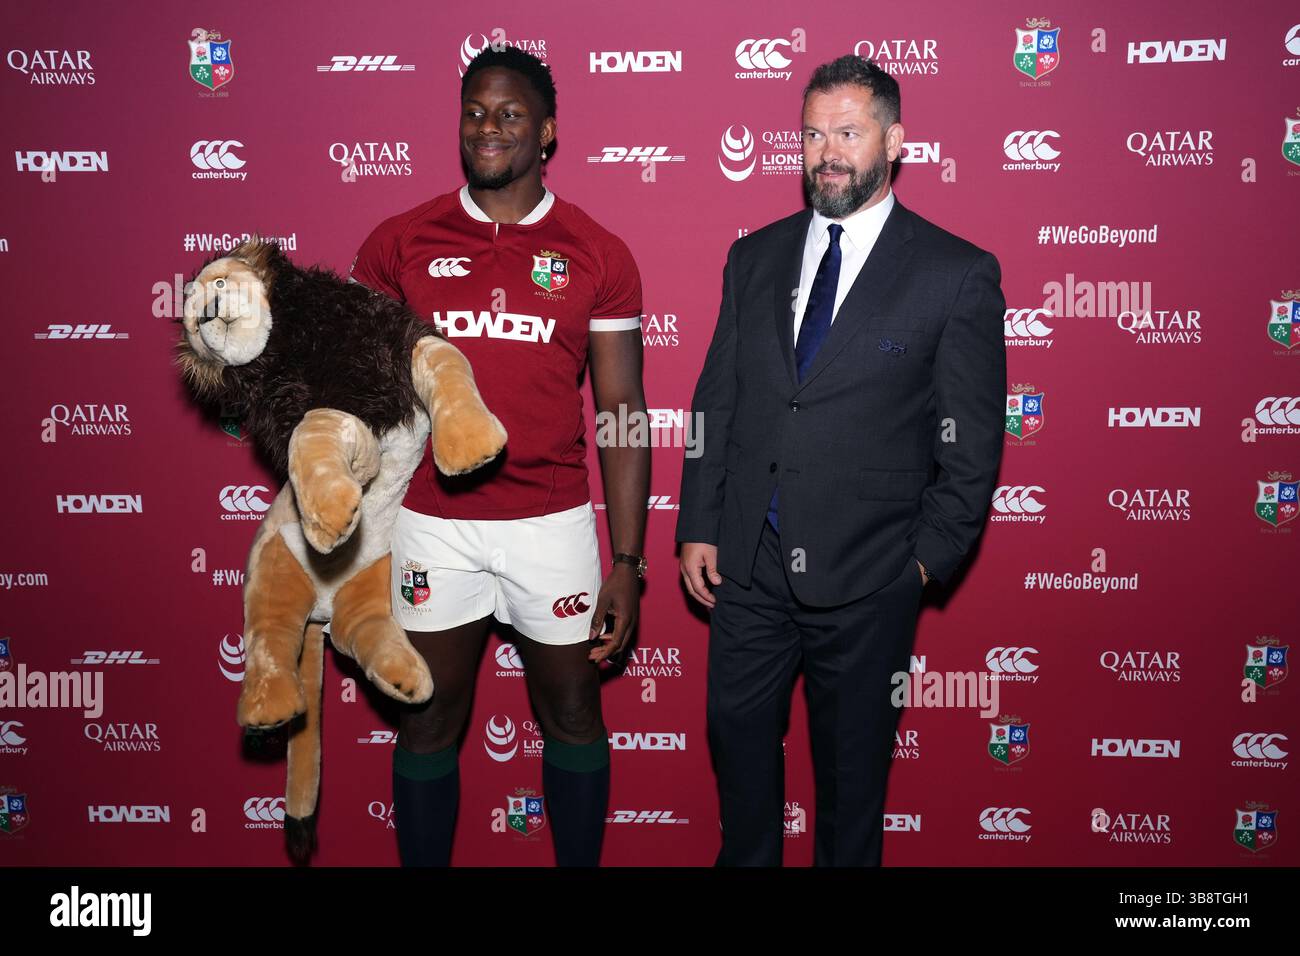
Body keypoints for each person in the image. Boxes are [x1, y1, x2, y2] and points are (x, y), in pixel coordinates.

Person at [677, 54, 1006, 866]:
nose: (827, 151)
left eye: (849, 133)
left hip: (870, 579)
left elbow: (972, 442)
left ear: (894, 141)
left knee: (852, 795)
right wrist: (698, 521)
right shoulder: (754, 258)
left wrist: (924, 566)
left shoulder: (954, 272)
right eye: (813, 133)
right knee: (741, 773)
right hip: (748, 569)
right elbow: (714, 402)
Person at [349, 46, 650, 867]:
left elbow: (622, 412)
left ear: (547, 131)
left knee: (574, 716)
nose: (490, 127)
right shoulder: (400, 241)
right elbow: (359, 403)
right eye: (475, 111)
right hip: (432, 524)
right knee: (427, 718)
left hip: (549, 523)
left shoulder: (596, 251)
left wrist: (627, 558)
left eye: (510, 113)